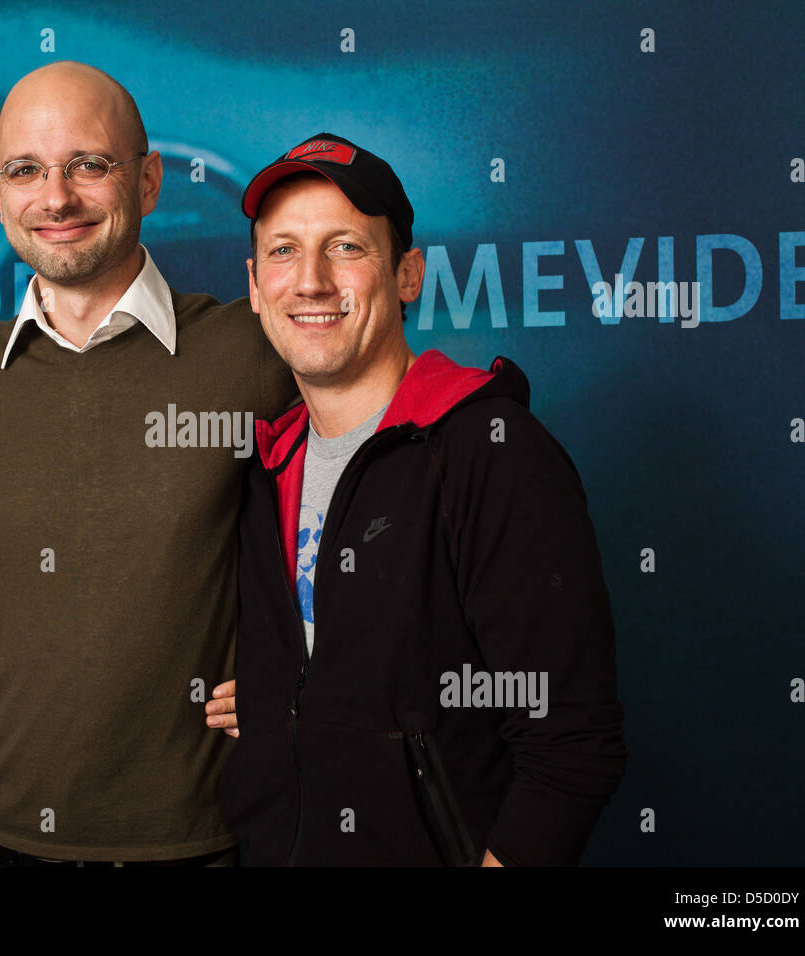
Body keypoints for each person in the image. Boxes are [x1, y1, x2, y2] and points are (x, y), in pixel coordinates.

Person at [0, 61, 298, 867]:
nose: (56, 198)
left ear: (148, 181)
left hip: (197, 847)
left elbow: (377, 529)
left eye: (88, 165)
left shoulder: (256, 355)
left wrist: (306, 676)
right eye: (26, 171)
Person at [218, 134, 628, 866]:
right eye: (283, 251)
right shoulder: (264, 464)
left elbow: (571, 743)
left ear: (408, 274)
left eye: (345, 247)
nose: (310, 281)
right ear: (254, 285)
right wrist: (282, 704)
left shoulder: (491, 450)